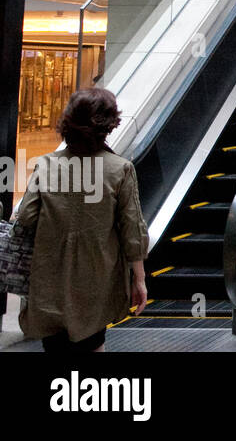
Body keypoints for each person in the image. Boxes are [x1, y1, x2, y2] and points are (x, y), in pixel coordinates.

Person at [15, 89, 148, 353]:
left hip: (48, 277)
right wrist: (139, 279)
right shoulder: (120, 169)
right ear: (108, 125)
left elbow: (26, 217)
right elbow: (132, 230)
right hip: (96, 279)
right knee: (93, 343)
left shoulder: (46, 165)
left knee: (53, 345)